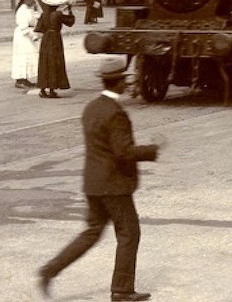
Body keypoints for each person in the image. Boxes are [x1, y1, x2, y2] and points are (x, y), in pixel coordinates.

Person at [39, 58, 162, 301]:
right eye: (125, 80)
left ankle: (49, 270)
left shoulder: (92, 107)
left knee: (92, 232)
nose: (127, 84)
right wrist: (152, 150)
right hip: (113, 185)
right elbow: (123, 152)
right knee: (129, 233)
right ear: (118, 82)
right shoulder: (115, 113)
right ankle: (121, 290)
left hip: (93, 183)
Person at [36, 0, 75, 99]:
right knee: (55, 61)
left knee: (44, 62)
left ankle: (43, 89)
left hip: (46, 39)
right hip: (55, 38)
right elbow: (70, 22)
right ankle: (52, 89)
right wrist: (70, 9)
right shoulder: (57, 14)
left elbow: (39, 28)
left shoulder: (43, 14)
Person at [11, 0, 40, 89]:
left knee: (29, 56)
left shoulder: (30, 9)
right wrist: (33, 36)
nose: (33, 0)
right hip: (23, 36)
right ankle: (19, 79)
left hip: (29, 34)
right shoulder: (22, 10)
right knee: (22, 57)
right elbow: (24, 26)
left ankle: (25, 78)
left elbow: (36, 18)